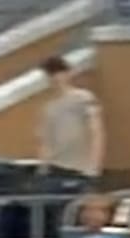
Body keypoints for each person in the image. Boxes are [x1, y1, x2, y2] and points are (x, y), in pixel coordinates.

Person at [37, 55, 103, 184]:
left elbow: (96, 132)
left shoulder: (84, 98)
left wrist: (94, 166)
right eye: (50, 74)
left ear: (68, 74)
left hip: (81, 168)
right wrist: (43, 167)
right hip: (56, 168)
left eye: (58, 72)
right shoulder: (48, 107)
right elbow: (45, 140)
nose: (54, 78)